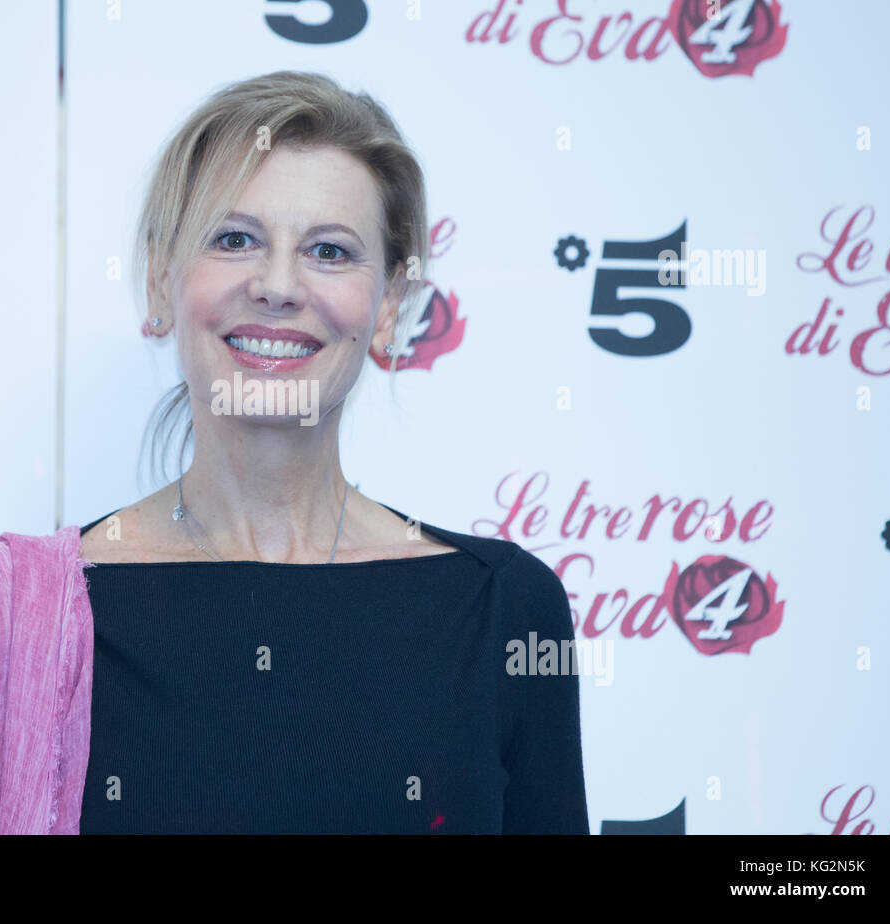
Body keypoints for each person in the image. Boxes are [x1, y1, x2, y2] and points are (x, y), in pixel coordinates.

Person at [73, 71, 589, 833]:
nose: (278, 286)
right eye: (235, 238)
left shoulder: (505, 610)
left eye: (329, 250)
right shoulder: (43, 611)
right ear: (159, 281)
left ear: (387, 308)